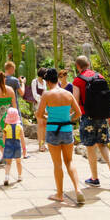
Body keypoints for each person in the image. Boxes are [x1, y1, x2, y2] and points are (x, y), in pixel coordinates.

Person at [34, 67, 85, 206]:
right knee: (69, 162)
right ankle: (78, 190)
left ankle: (60, 194)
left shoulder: (46, 95)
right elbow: (78, 113)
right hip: (67, 129)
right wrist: (68, 118)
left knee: (57, 164)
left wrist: (48, 116)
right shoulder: (68, 94)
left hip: (52, 130)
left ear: (48, 81)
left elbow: (39, 115)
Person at [72, 54, 110, 188]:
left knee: (90, 147)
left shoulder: (78, 80)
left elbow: (75, 100)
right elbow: (108, 97)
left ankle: (95, 178)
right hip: (102, 116)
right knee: (103, 144)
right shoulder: (100, 76)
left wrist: (72, 116)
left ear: (78, 66)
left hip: (88, 117)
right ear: (89, 64)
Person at [0, 104, 25, 186]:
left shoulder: (6, 128)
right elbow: (22, 139)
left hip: (8, 145)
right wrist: (24, 149)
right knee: (18, 162)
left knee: (8, 163)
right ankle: (20, 176)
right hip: (17, 145)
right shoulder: (19, 127)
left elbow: (4, 138)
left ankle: (6, 177)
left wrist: (4, 145)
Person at [25, 67, 49, 153]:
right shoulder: (34, 81)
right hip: (38, 105)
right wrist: (42, 99)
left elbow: (46, 92)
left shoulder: (44, 82)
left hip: (45, 105)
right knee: (40, 124)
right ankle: (40, 144)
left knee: (45, 124)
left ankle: (44, 143)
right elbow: (34, 94)